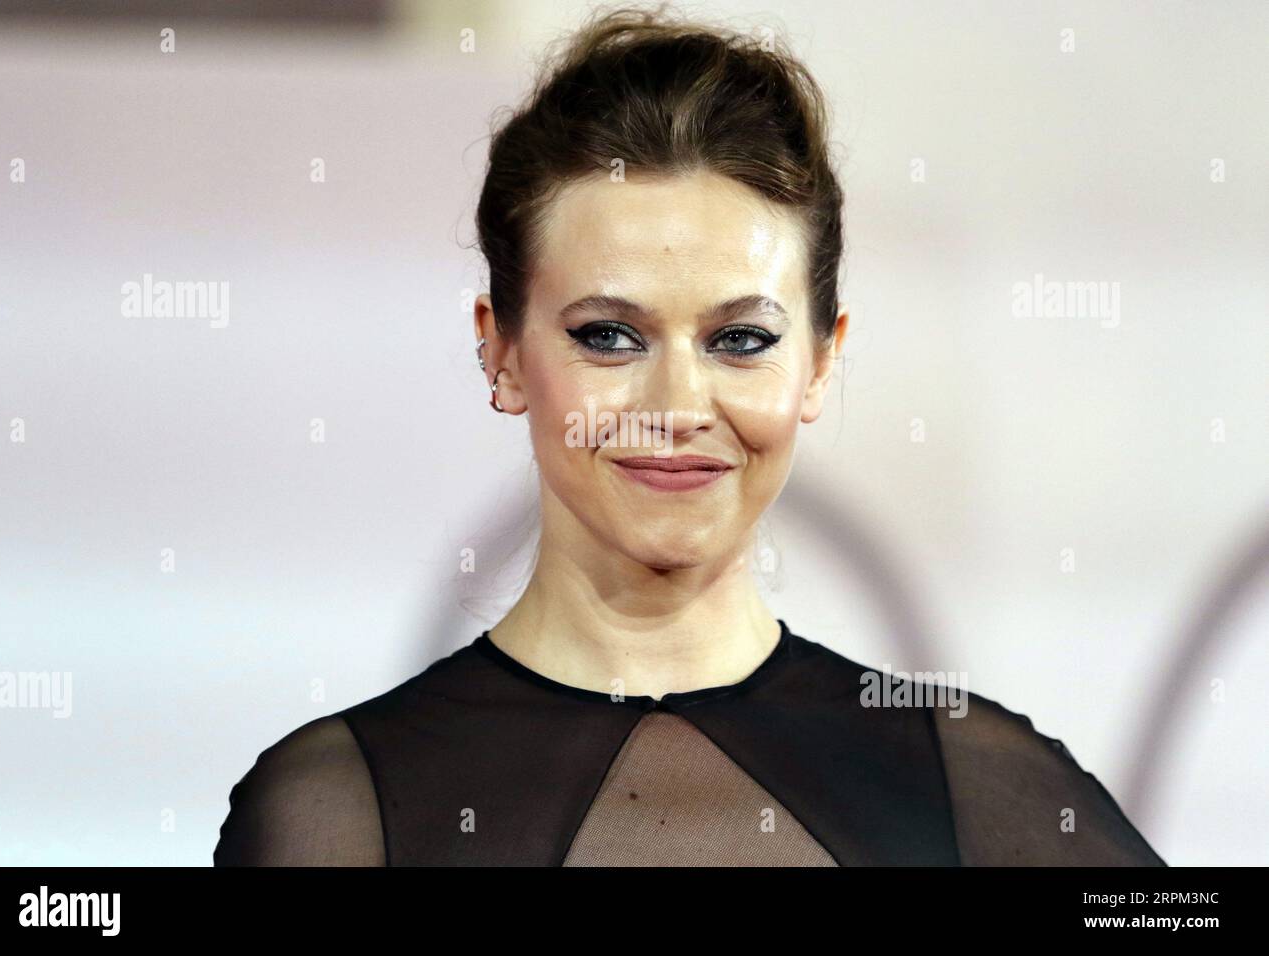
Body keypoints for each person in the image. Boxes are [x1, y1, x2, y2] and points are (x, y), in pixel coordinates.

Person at [213, 4, 1166, 867]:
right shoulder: (339, 811)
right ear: (499, 353)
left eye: (740, 339)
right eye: (609, 335)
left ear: (822, 363)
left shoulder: (972, 786)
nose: (677, 402)